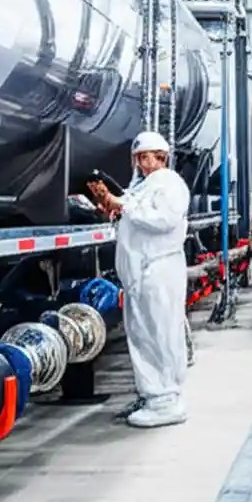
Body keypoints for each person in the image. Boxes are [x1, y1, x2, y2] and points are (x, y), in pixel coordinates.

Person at [88, 131, 191, 428]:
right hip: (142, 274)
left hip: (157, 270)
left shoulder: (170, 184)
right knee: (144, 334)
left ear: (162, 156)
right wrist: (110, 203)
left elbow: (164, 219)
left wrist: (124, 206)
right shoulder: (143, 186)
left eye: (147, 157)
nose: (143, 163)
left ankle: (165, 400)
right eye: (139, 157)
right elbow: (130, 212)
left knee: (158, 334)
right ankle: (154, 395)